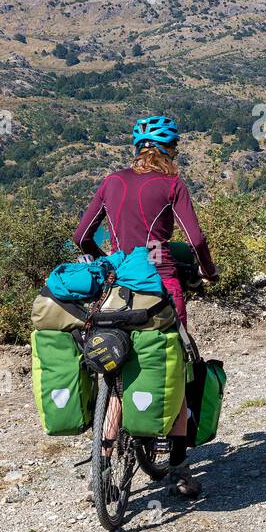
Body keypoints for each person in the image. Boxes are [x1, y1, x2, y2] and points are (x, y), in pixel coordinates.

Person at [73, 115, 218, 498]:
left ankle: (100, 468)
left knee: (117, 364)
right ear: (170, 151)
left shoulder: (111, 182)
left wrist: (112, 260)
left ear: (136, 149)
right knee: (180, 364)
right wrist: (208, 271)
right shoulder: (171, 185)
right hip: (161, 283)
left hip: (117, 286)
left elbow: (81, 236)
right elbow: (196, 238)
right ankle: (178, 466)